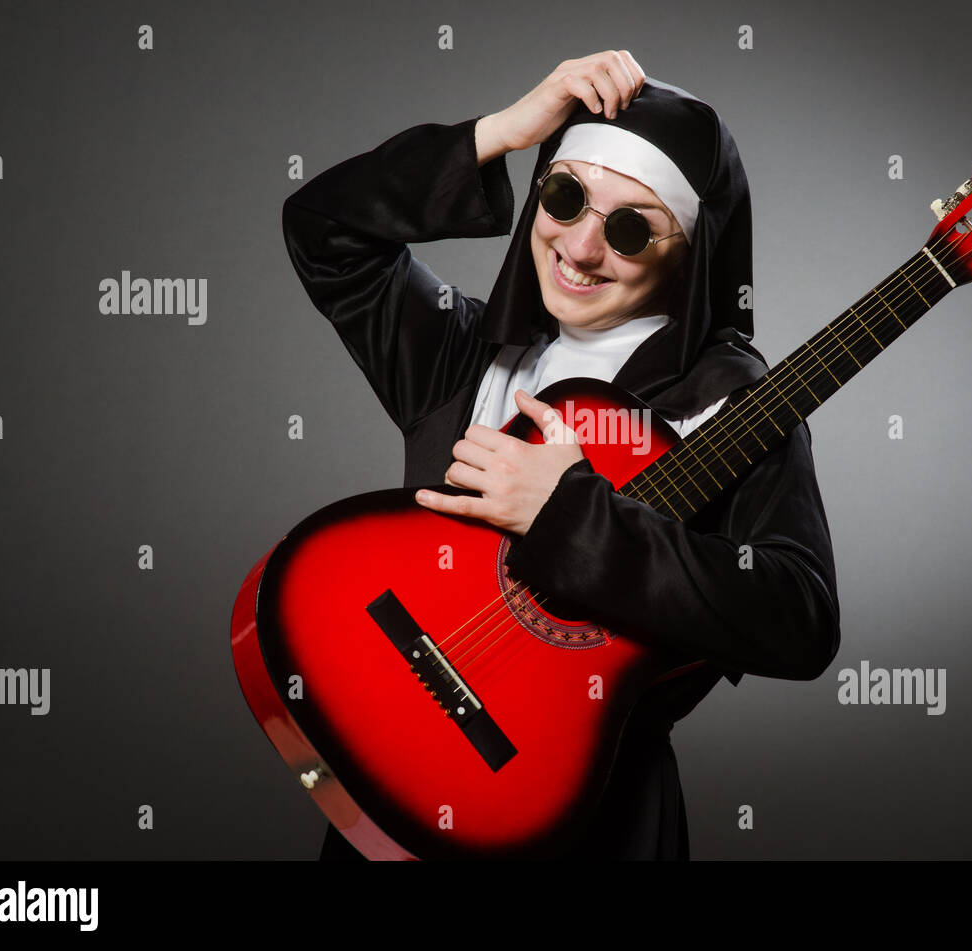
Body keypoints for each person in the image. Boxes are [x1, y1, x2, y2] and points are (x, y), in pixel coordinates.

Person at [281, 50, 841, 860]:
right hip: (399, 784)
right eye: (565, 195)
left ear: (688, 251)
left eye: (628, 229)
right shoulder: (465, 355)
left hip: (591, 815)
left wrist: (570, 517)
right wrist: (504, 131)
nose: (579, 249)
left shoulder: (736, 407)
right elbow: (322, 229)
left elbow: (800, 617)